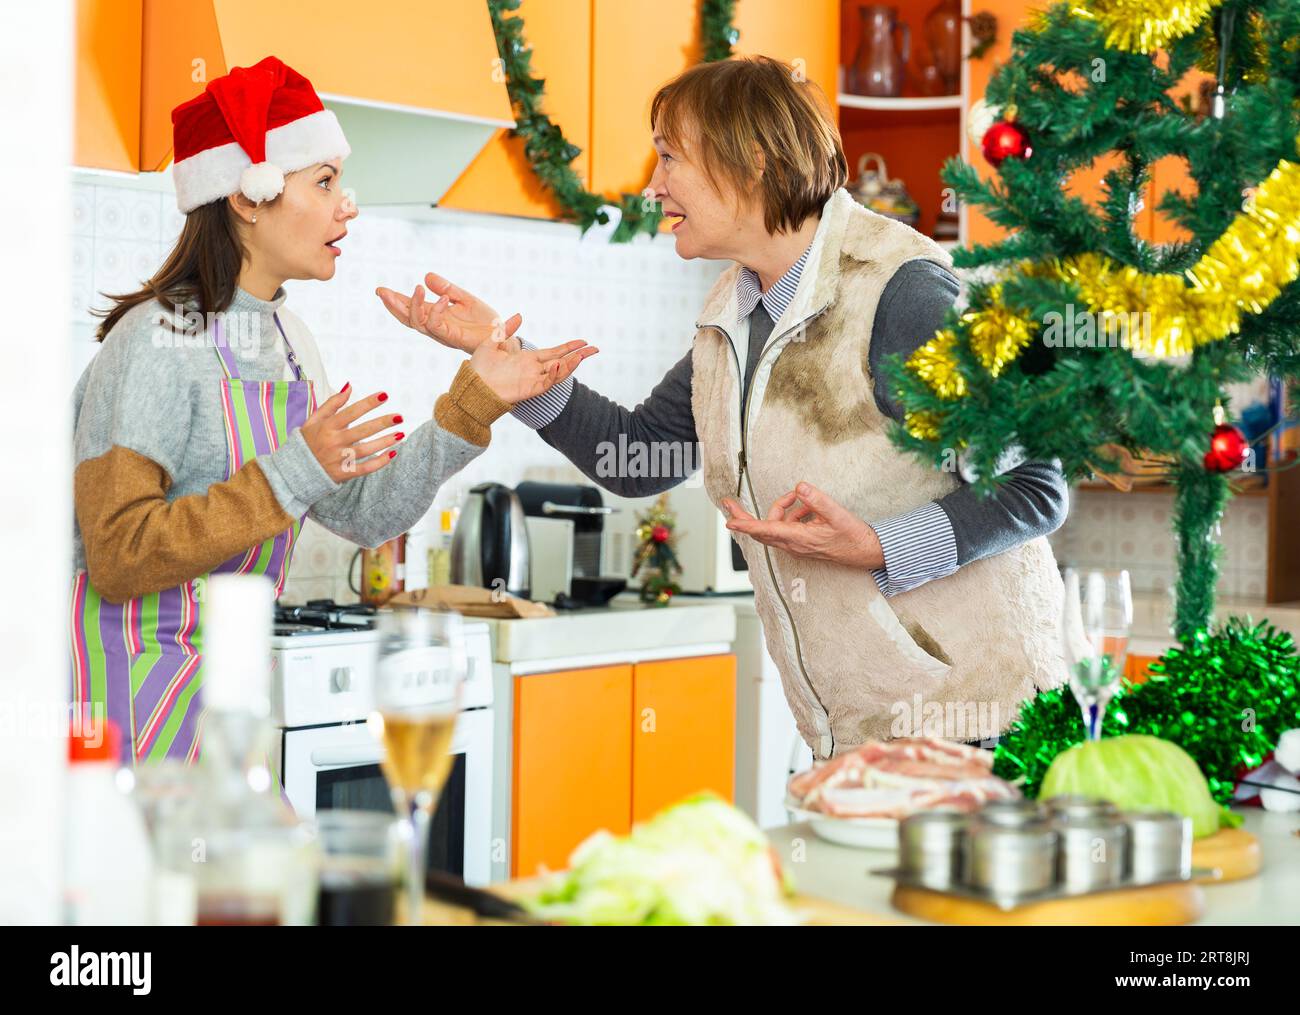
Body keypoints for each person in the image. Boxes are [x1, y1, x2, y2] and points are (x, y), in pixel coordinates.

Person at [378, 56, 1069, 761]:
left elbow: (1037, 486)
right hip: (866, 738)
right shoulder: (735, 315)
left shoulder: (901, 293)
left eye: (669, 157)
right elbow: (641, 453)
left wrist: (879, 547)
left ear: (755, 162)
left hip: (990, 726)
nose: (652, 186)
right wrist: (518, 366)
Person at [71, 56, 594, 766]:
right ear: (247, 197)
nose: (348, 204)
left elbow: (363, 513)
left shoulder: (287, 341)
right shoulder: (157, 340)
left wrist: (474, 401)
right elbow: (119, 552)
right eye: (324, 181)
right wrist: (292, 470)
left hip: (224, 702)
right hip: (131, 705)